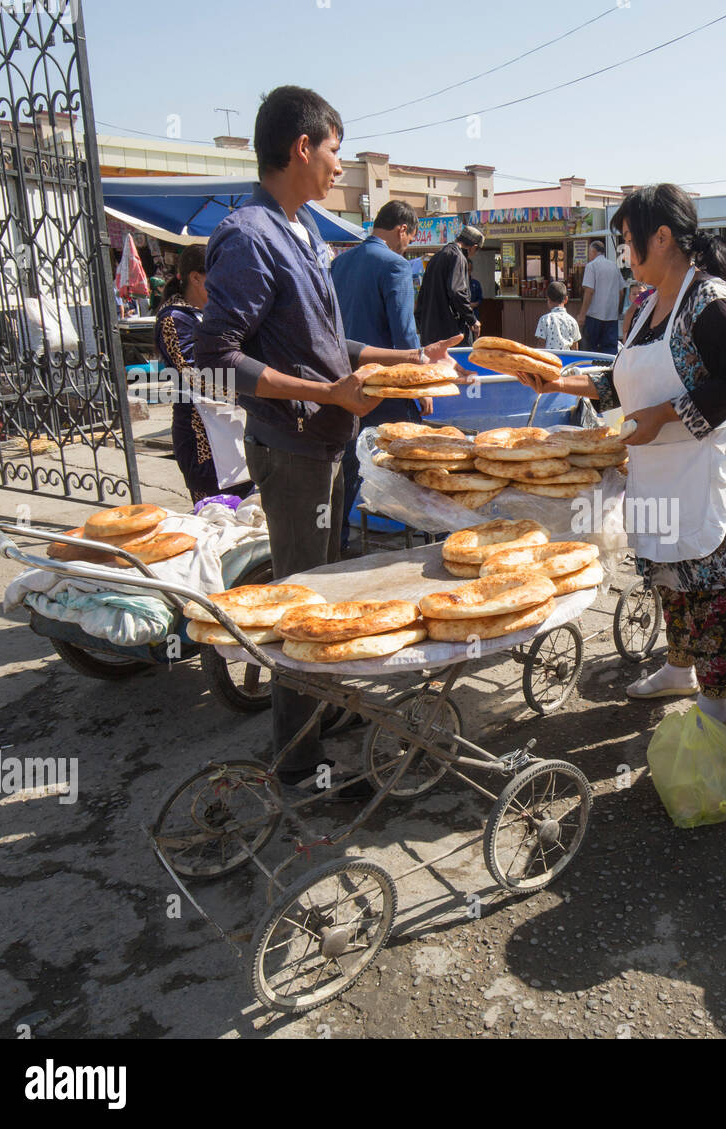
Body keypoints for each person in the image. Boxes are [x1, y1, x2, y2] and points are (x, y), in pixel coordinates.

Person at [197, 85, 466, 796]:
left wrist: (405, 359)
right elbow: (214, 357)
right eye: (335, 152)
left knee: (328, 590)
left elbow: (325, 341)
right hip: (292, 451)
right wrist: (326, 395)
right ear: (302, 148)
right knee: (304, 605)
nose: (340, 169)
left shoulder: (302, 230)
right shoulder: (250, 235)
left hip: (325, 445)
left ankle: (320, 714)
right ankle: (298, 764)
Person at [511, 183, 726, 726]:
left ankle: (716, 702)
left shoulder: (712, 301)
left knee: (715, 581)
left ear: (663, 237)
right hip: (661, 464)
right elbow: (626, 383)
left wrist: (663, 417)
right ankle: (678, 667)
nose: (626, 255)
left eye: (629, 242)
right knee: (671, 572)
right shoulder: (650, 306)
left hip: (713, 461)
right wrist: (561, 384)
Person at [329, 199, 428, 552]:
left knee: (346, 467)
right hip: (387, 388)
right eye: (410, 238)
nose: (408, 246)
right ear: (403, 229)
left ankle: (336, 543)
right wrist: (422, 384)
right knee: (418, 459)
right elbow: (405, 334)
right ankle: (428, 540)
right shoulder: (396, 266)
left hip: (344, 383)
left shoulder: (338, 264)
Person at [154, 244, 251, 503]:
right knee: (216, 513)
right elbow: (193, 375)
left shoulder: (214, 313)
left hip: (234, 424)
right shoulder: (174, 318)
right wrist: (256, 387)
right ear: (196, 277)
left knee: (248, 511)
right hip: (202, 437)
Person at [417, 225, 484, 346]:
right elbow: (456, 292)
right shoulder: (458, 257)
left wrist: (421, 325)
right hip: (451, 333)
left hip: (430, 333)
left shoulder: (437, 256)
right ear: (473, 247)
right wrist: (472, 319)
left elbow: (422, 294)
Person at [578, 239, 625, 353]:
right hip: (611, 316)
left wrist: (582, 314)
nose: (589, 256)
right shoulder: (614, 266)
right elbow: (621, 292)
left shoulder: (592, 266)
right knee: (610, 351)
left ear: (593, 252)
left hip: (594, 316)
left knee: (591, 350)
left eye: (589, 253)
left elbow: (589, 291)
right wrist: (617, 310)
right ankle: (610, 371)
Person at [534, 280, 581, 351]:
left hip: (550, 359)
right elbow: (575, 347)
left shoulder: (544, 319)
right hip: (567, 359)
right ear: (566, 299)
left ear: (548, 300)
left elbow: (541, 344)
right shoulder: (572, 321)